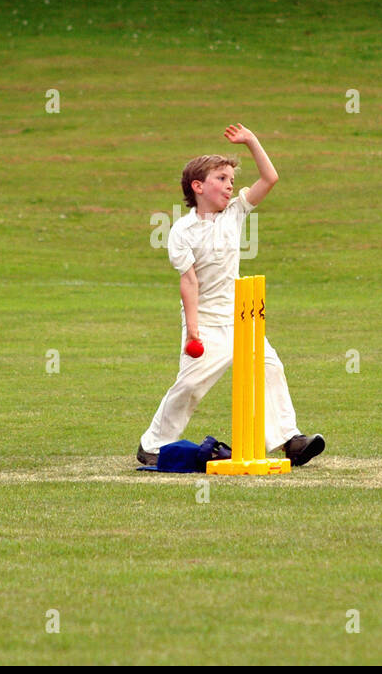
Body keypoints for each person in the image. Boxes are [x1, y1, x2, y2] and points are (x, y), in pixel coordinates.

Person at [137, 124, 325, 467]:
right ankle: (153, 443)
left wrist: (252, 141)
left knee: (270, 367)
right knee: (191, 385)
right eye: (221, 179)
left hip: (241, 316)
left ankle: (289, 440)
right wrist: (193, 328)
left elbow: (269, 179)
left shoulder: (235, 212)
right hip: (205, 321)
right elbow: (189, 282)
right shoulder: (181, 231)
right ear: (198, 186)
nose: (229, 186)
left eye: (231, 180)